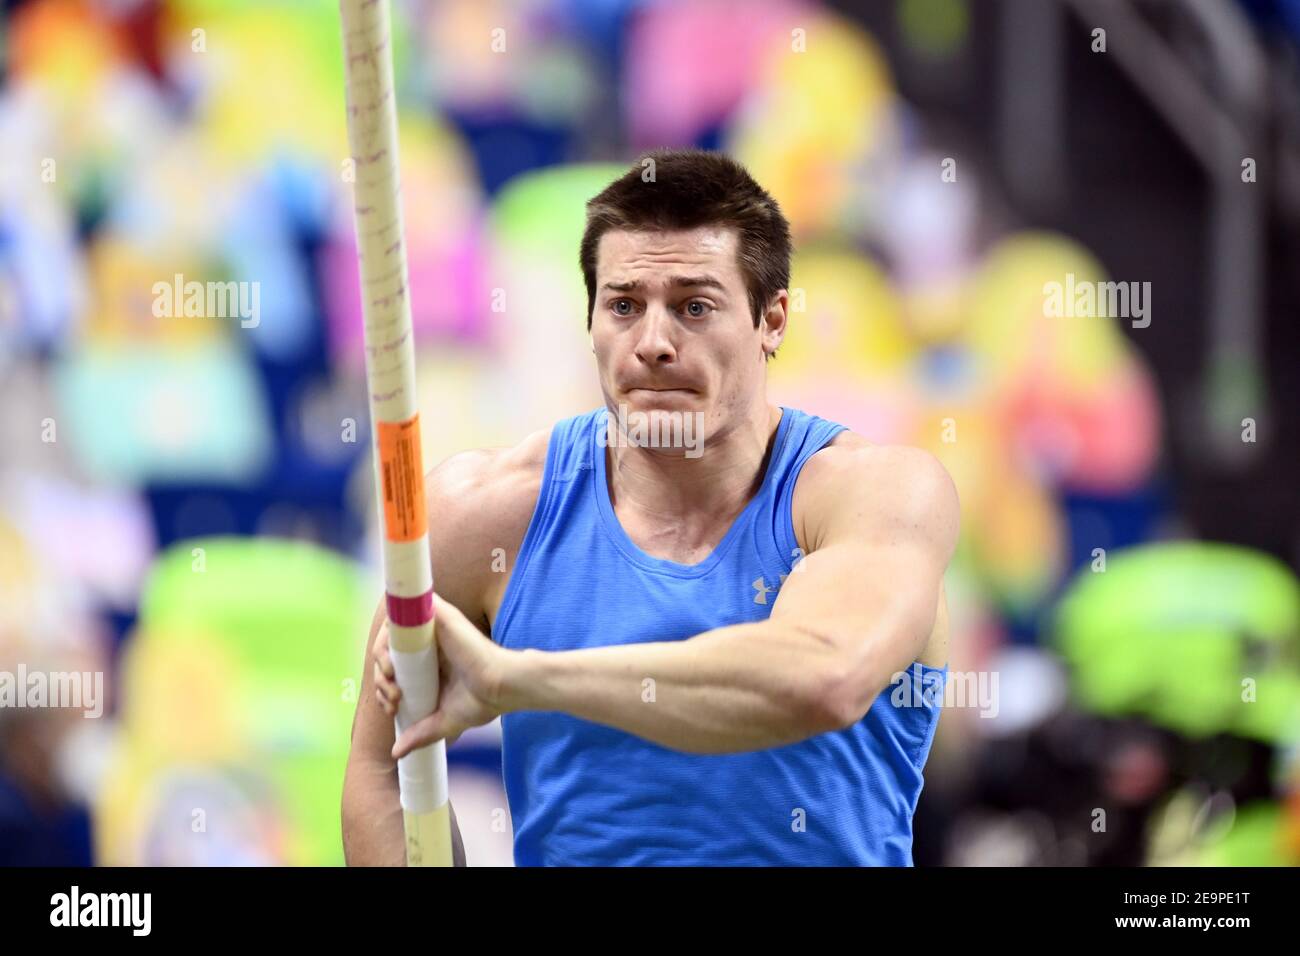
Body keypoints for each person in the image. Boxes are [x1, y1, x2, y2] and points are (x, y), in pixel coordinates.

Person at [342, 148, 958, 866]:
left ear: (773, 319)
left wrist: (517, 679)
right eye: (625, 306)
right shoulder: (481, 512)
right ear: (591, 320)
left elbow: (824, 678)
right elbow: (383, 770)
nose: (654, 343)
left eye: (694, 306)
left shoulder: (874, 494)